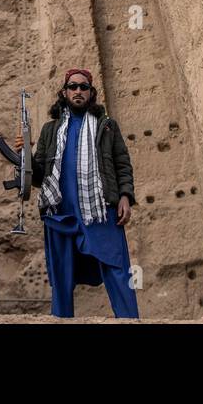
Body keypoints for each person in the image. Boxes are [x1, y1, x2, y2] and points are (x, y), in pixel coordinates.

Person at [14, 68, 139, 318]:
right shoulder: (51, 130)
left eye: (84, 87)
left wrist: (125, 196)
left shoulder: (107, 126)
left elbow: (122, 164)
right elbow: (39, 175)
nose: (78, 91)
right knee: (60, 277)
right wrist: (24, 155)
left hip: (100, 211)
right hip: (60, 213)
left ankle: (129, 320)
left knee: (117, 269)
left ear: (91, 93)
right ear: (64, 92)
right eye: (73, 87)